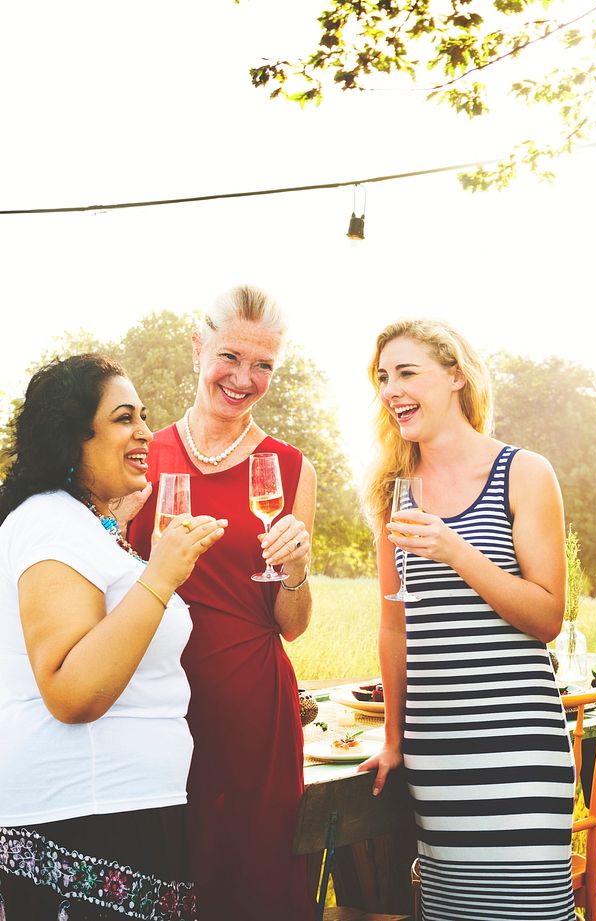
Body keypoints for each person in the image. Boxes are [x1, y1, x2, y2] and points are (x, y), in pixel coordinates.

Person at [359, 319, 576, 920]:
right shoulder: (393, 492)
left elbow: (547, 616)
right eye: (382, 378)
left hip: (517, 742)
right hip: (438, 751)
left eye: (406, 373)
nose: (390, 390)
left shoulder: (524, 472)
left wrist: (456, 550)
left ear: (455, 376)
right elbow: (393, 627)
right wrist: (396, 738)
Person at [0, 354, 227, 920]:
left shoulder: (81, 523)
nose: (146, 432)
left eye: (143, 416)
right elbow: (71, 692)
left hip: (124, 813)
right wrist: (161, 574)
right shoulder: (49, 522)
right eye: (125, 418)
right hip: (87, 819)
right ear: (75, 435)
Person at [129, 285, 317, 921]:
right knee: (164, 876)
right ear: (197, 346)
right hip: (149, 706)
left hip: (252, 712)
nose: (244, 379)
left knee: (254, 887)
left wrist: (295, 571)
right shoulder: (139, 457)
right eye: (230, 356)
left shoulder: (291, 469)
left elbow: (292, 626)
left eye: (263, 364)